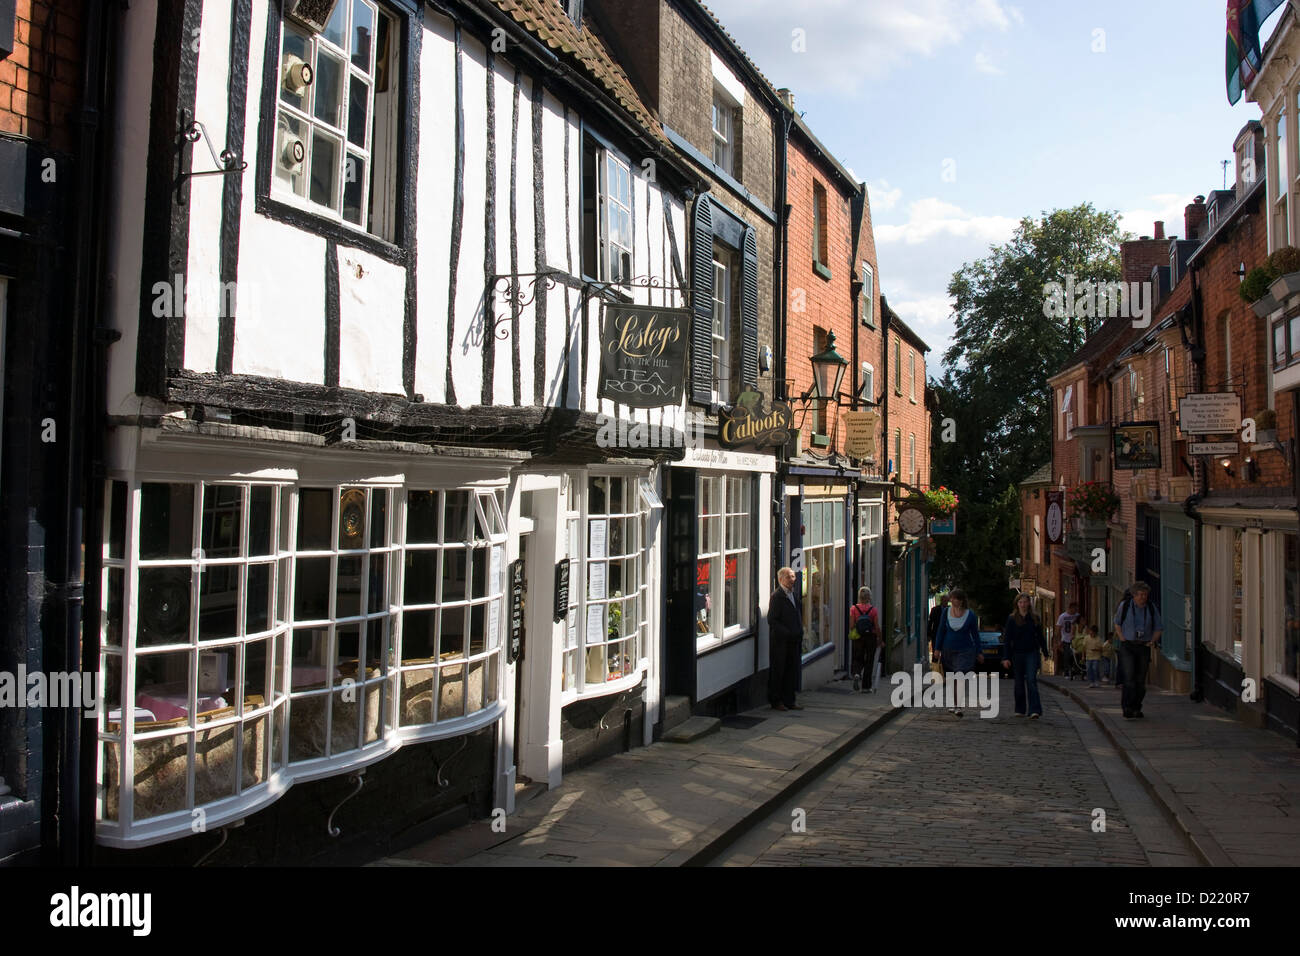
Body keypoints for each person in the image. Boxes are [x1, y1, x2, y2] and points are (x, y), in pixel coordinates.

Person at [1113, 581, 1162, 719]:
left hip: (1143, 646)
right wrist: (1121, 637)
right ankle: (1127, 707)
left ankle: (1136, 707)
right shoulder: (1126, 606)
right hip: (1128, 645)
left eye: (1145, 595)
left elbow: (1159, 627)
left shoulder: (1151, 608)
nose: (1143, 597)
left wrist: (1152, 641)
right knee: (1129, 677)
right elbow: (1117, 623)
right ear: (1134, 595)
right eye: (1140, 595)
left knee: (1140, 680)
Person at [932, 588, 982, 716]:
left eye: (955, 598)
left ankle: (958, 706)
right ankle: (953, 703)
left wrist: (979, 652)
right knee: (951, 678)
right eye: (952, 598)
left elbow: (975, 635)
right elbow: (941, 631)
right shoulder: (946, 612)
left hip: (965, 650)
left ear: (961, 601)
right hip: (948, 650)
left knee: (959, 675)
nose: (952, 600)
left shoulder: (970, 615)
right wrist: (937, 649)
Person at [1003, 593, 1049, 717]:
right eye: (1020, 602)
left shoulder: (1034, 618)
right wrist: (1006, 657)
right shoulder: (1012, 619)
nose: (1023, 605)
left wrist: (1045, 652)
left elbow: (1040, 637)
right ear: (1017, 604)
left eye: (1025, 602)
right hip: (1017, 654)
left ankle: (1034, 709)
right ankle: (1020, 709)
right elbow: (1007, 639)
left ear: (1029, 603)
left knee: (1031, 680)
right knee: (1018, 683)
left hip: (1031, 653)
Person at [767, 567, 805, 712]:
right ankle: (776, 701)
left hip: (794, 640)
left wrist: (799, 631)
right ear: (781, 579)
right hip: (780, 643)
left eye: (793, 576)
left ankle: (790, 700)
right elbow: (772, 620)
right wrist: (787, 633)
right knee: (779, 671)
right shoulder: (777, 596)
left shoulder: (793, 594)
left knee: (791, 671)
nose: (792, 579)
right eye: (789, 577)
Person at [849, 587, 882, 693]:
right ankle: (866, 687)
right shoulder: (873, 610)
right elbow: (877, 627)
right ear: (869, 597)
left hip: (858, 637)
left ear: (859, 597)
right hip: (870, 637)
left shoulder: (853, 609)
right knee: (869, 660)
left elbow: (851, 625)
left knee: (857, 657)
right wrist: (880, 639)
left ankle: (857, 673)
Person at [1056, 602, 1079, 679]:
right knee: (1066, 656)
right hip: (1065, 639)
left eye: (1076, 609)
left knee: (1075, 656)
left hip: (1075, 639)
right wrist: (1059, 640)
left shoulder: (1077, 616)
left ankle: (1074, 672)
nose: (1075, 610)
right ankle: (1066, 672)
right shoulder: (1063, 616)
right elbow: (1058, 629)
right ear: (1070, 608)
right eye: (1074, 609)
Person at [1080, 622, 1106, 688]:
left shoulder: (1099, 639)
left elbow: (1102, 649)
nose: (1092, 634)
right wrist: (1083, 656)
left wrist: (1096, 650)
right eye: (1091, 632)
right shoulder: (1086, 638)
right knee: (1089, 669)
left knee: (1095, 668)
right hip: (1088, 657)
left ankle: (1096, 681)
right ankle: (1091, 682)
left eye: (1094, 633)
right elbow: (1083, 647)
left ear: (1096, 633)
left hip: (1096, 657)